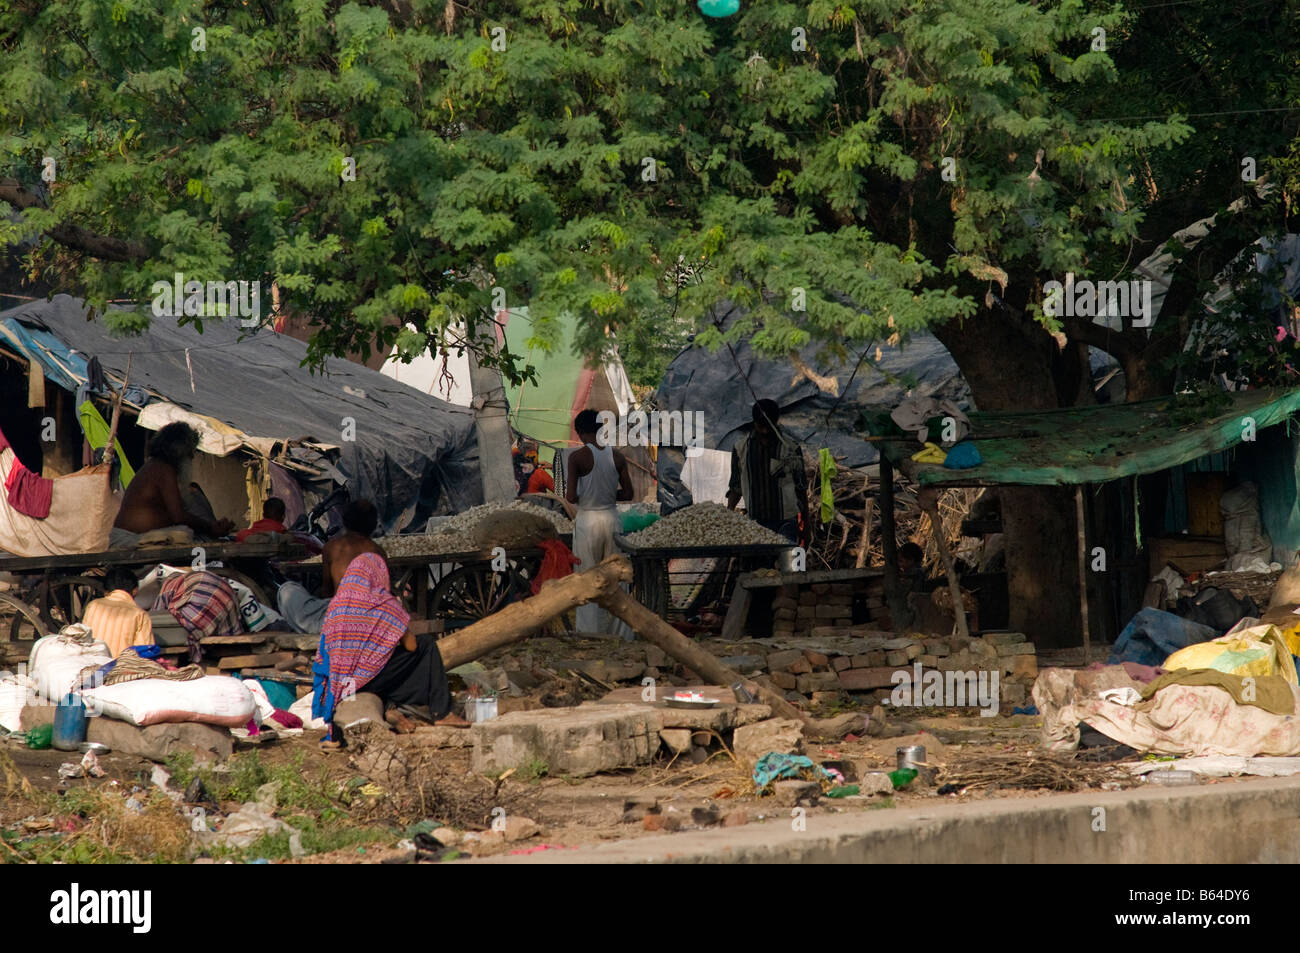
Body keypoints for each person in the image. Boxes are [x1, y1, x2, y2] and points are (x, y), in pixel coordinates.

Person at [314, 552, 468, 746]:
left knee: (376, 667)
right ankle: (442, 712)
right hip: (368, 680)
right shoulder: (383, 602)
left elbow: (326, 651)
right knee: (426, 645)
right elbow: (411, 646)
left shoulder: (336, 605)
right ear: (378, 574)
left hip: (341, 684)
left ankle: (390, 709)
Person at [565, 409, 634, 637]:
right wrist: (607, 495)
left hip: (588, 521)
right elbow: (629, 493)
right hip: (612, 520)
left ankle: (590, 633)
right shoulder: (617, 457)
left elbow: (571, 497)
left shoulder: (577, 458)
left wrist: (591, 495)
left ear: (581, 432)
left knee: (588, 577)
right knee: (616, 578)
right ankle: (622, 634)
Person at [111, 422, 234, 548]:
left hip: (134, 537)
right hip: (129, 540)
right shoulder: (162, 468)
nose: (192, 457)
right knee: (184, 534)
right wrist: (210, 527)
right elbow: (178, 516)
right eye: (190, 451)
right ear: (180, 449)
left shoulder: (156, 466)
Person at [277, 499, 388, 634]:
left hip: (337, 621)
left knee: (287, 590)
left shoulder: (333, 548)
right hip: (369, 621)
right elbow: (384, 594)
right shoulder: (379, 552)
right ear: (373, 524)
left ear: (345, 522)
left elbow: (327, 591)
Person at [726, 400, 809, 545]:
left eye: (768, 426)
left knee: (787, 565)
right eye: (761, 426)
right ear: (754, 422)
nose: (765, 431)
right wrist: (727, 517)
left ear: (776, 422)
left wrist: (807, 526)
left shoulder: (790, 449)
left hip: (786, 521)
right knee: (760, 567)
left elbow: (800, 489)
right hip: (755, 523)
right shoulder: (741, 449)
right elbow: (736, 488)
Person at [152, 569, 244, 663]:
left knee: (184, 621)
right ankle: (205, 630)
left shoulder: (168, 586)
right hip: (227, 599)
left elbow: (157, 614)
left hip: (205, 598)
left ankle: (197, 633)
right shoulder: (187, 579)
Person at [82, 568, 153, 658]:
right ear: (135, 590)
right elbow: (145, 653)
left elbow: (83, 639)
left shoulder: (93, 605)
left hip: (93, 667)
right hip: (121, 669)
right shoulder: (140, 614)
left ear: (105, 591)